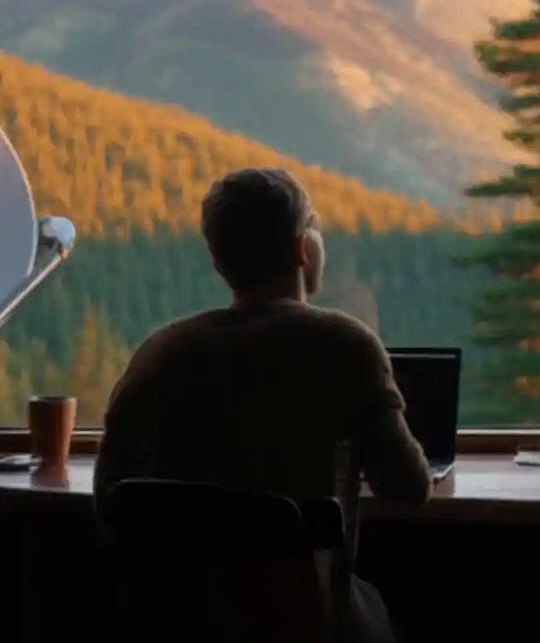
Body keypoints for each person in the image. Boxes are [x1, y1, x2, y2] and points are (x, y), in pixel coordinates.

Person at [94, 167, 432, 642]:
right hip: (306, 624)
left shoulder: (159, 353)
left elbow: (111, 499)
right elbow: (410, 486)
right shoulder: (346, 345)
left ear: (217, 260)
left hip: (176, 623)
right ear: (303, 249)